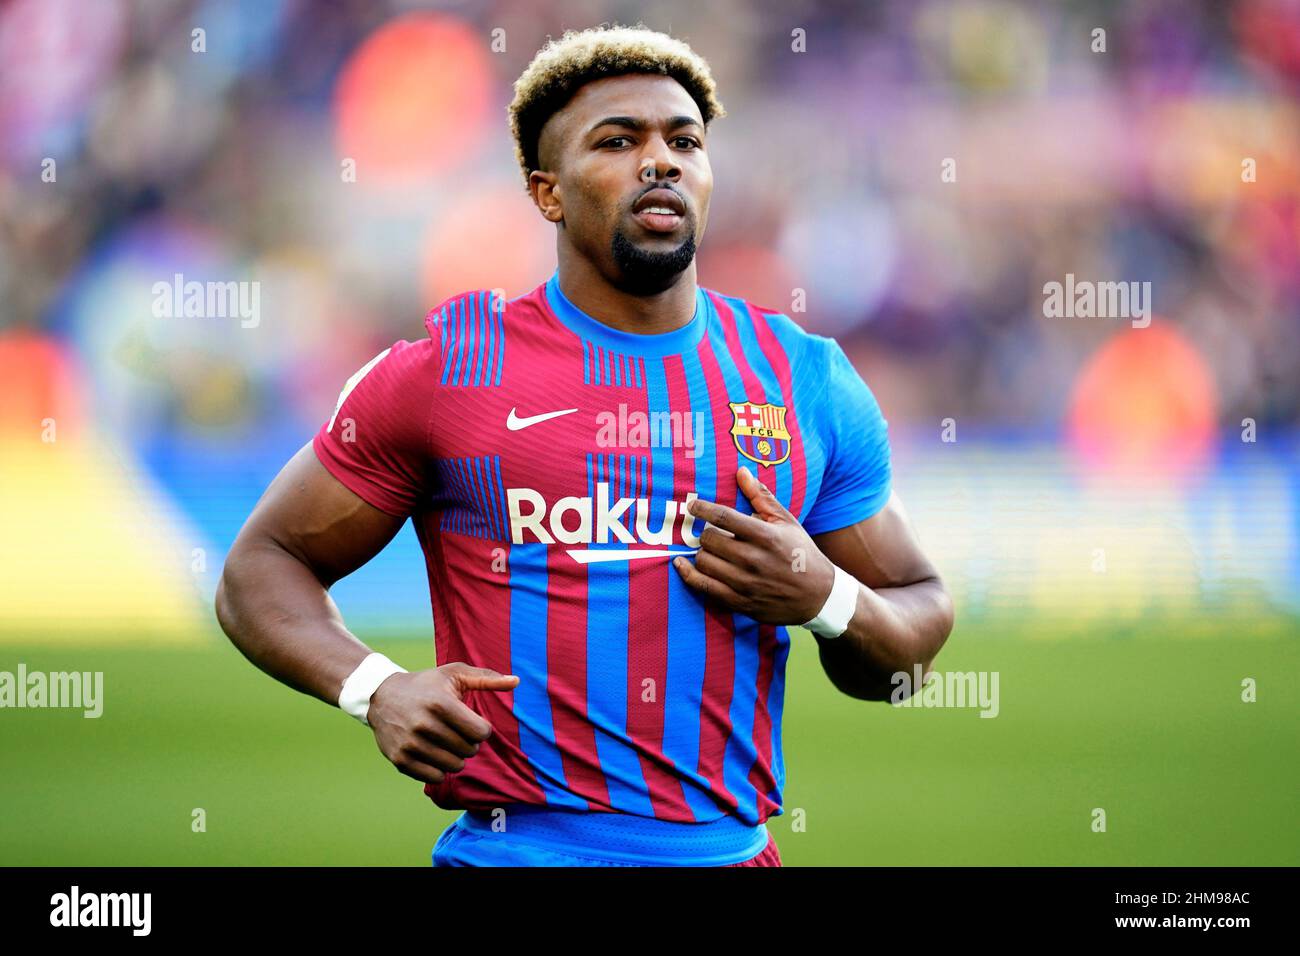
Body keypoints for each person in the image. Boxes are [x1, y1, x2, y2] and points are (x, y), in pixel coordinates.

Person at [215, 23, 954, 867]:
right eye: (617, 141)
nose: (661, 161)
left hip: (729, 855)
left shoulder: (803, 379)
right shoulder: (450, 371)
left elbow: (909, 637)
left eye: (685, 141)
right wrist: (373, 688)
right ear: (547, 193)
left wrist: (826, 598)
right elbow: (258, 568)